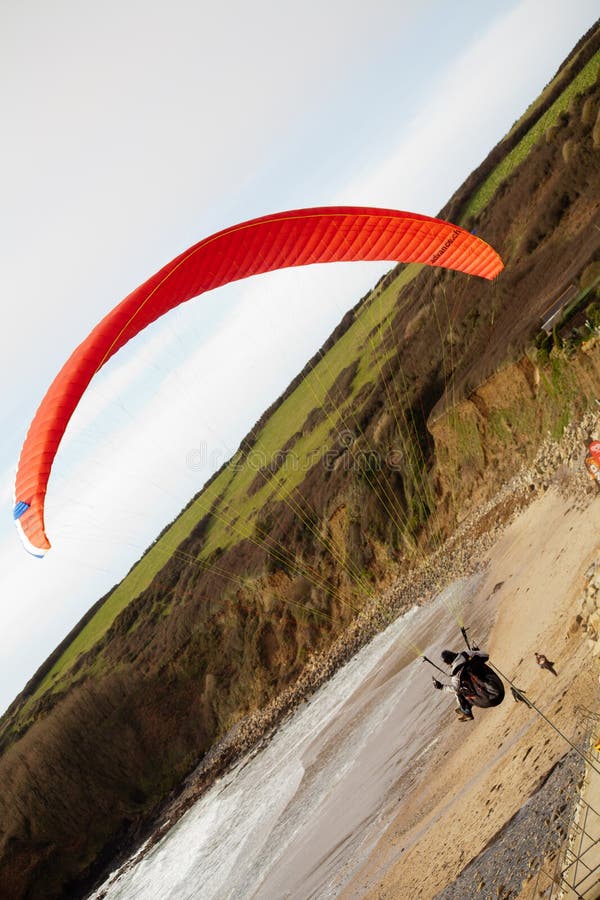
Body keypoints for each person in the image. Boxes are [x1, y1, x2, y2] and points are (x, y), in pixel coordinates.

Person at [433, 647, 490, 721]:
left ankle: (466, 711)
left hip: (480, 689)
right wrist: (476, 651)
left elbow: (455, 689)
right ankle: (464, 707)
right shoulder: (466, 653)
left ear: (447, 662)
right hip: (486, 678)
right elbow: (486, 656)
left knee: (459, 692)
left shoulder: (455, 673)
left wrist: (441, 687)